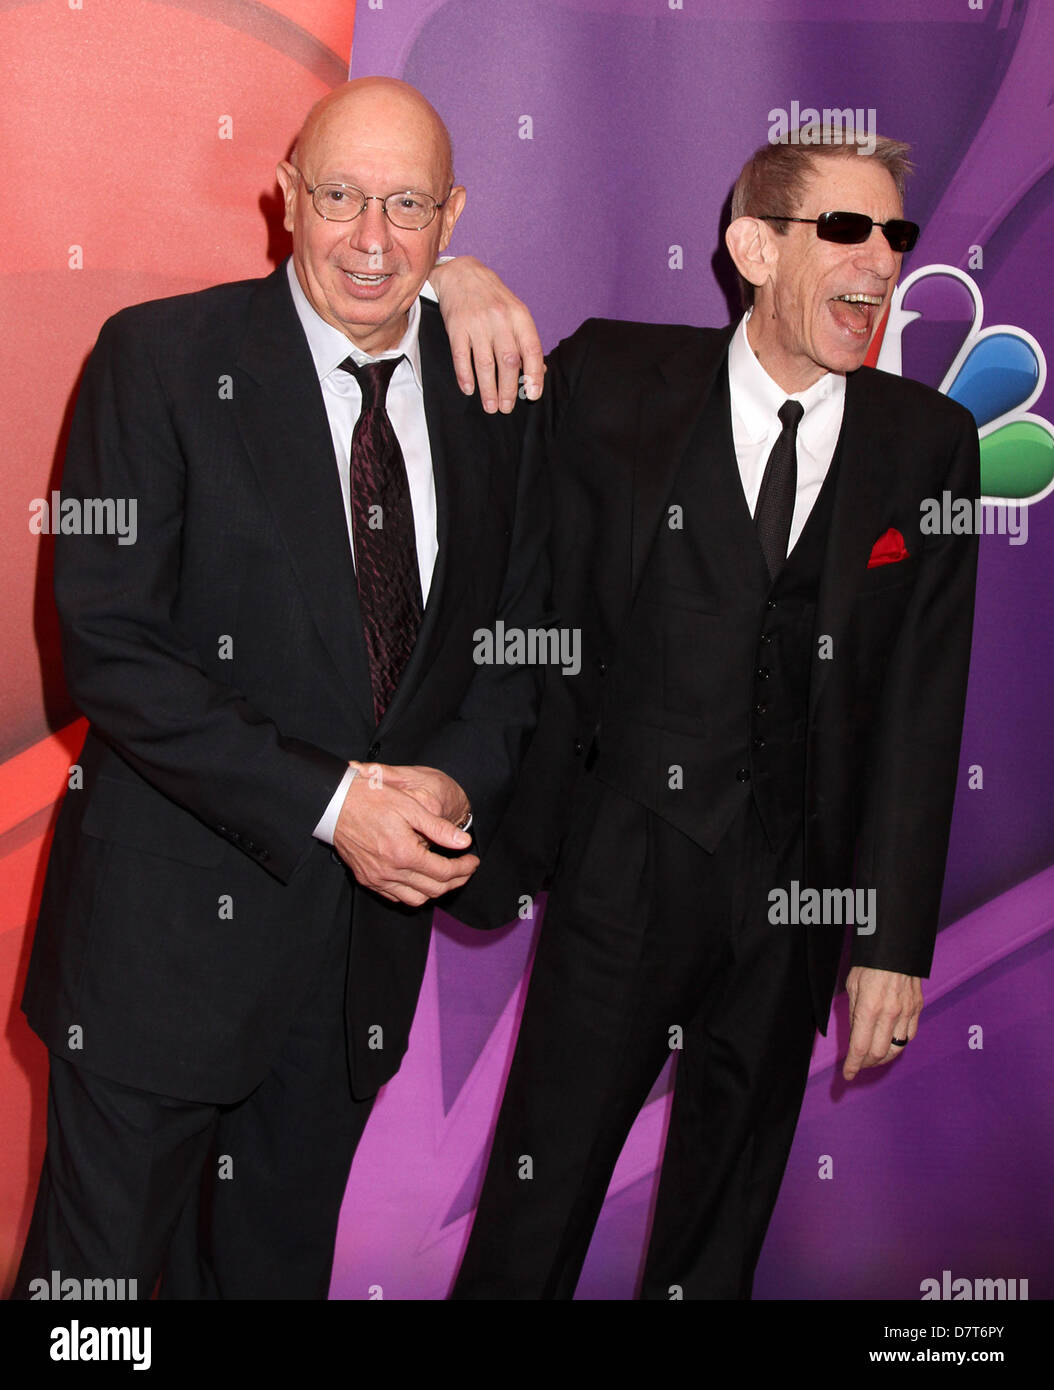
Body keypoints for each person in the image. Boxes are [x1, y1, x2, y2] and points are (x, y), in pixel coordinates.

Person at [15, 76, 549, 1300]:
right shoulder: (159, 357)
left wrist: (448, 785)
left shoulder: (497, 393)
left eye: (407, 204)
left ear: (453, 214)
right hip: (157, 964)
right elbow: (111, 644)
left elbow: (522, 639)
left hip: (349, 971)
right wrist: (334, 803)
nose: (372, 238)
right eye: (342, 196)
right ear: (287, 197)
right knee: (96, 1309)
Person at [443, 129, 980, 1298]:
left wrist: (890, 944)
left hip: (796, 895)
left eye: (897, 235)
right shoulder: (609, 379)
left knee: (717, 1236)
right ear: (752, 246)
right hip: (620, 868)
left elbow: (920, 705)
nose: (882, 260)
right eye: (847, 229)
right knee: (535, 1213)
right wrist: (450, 276)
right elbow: (453, 458)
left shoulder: (927, 444)